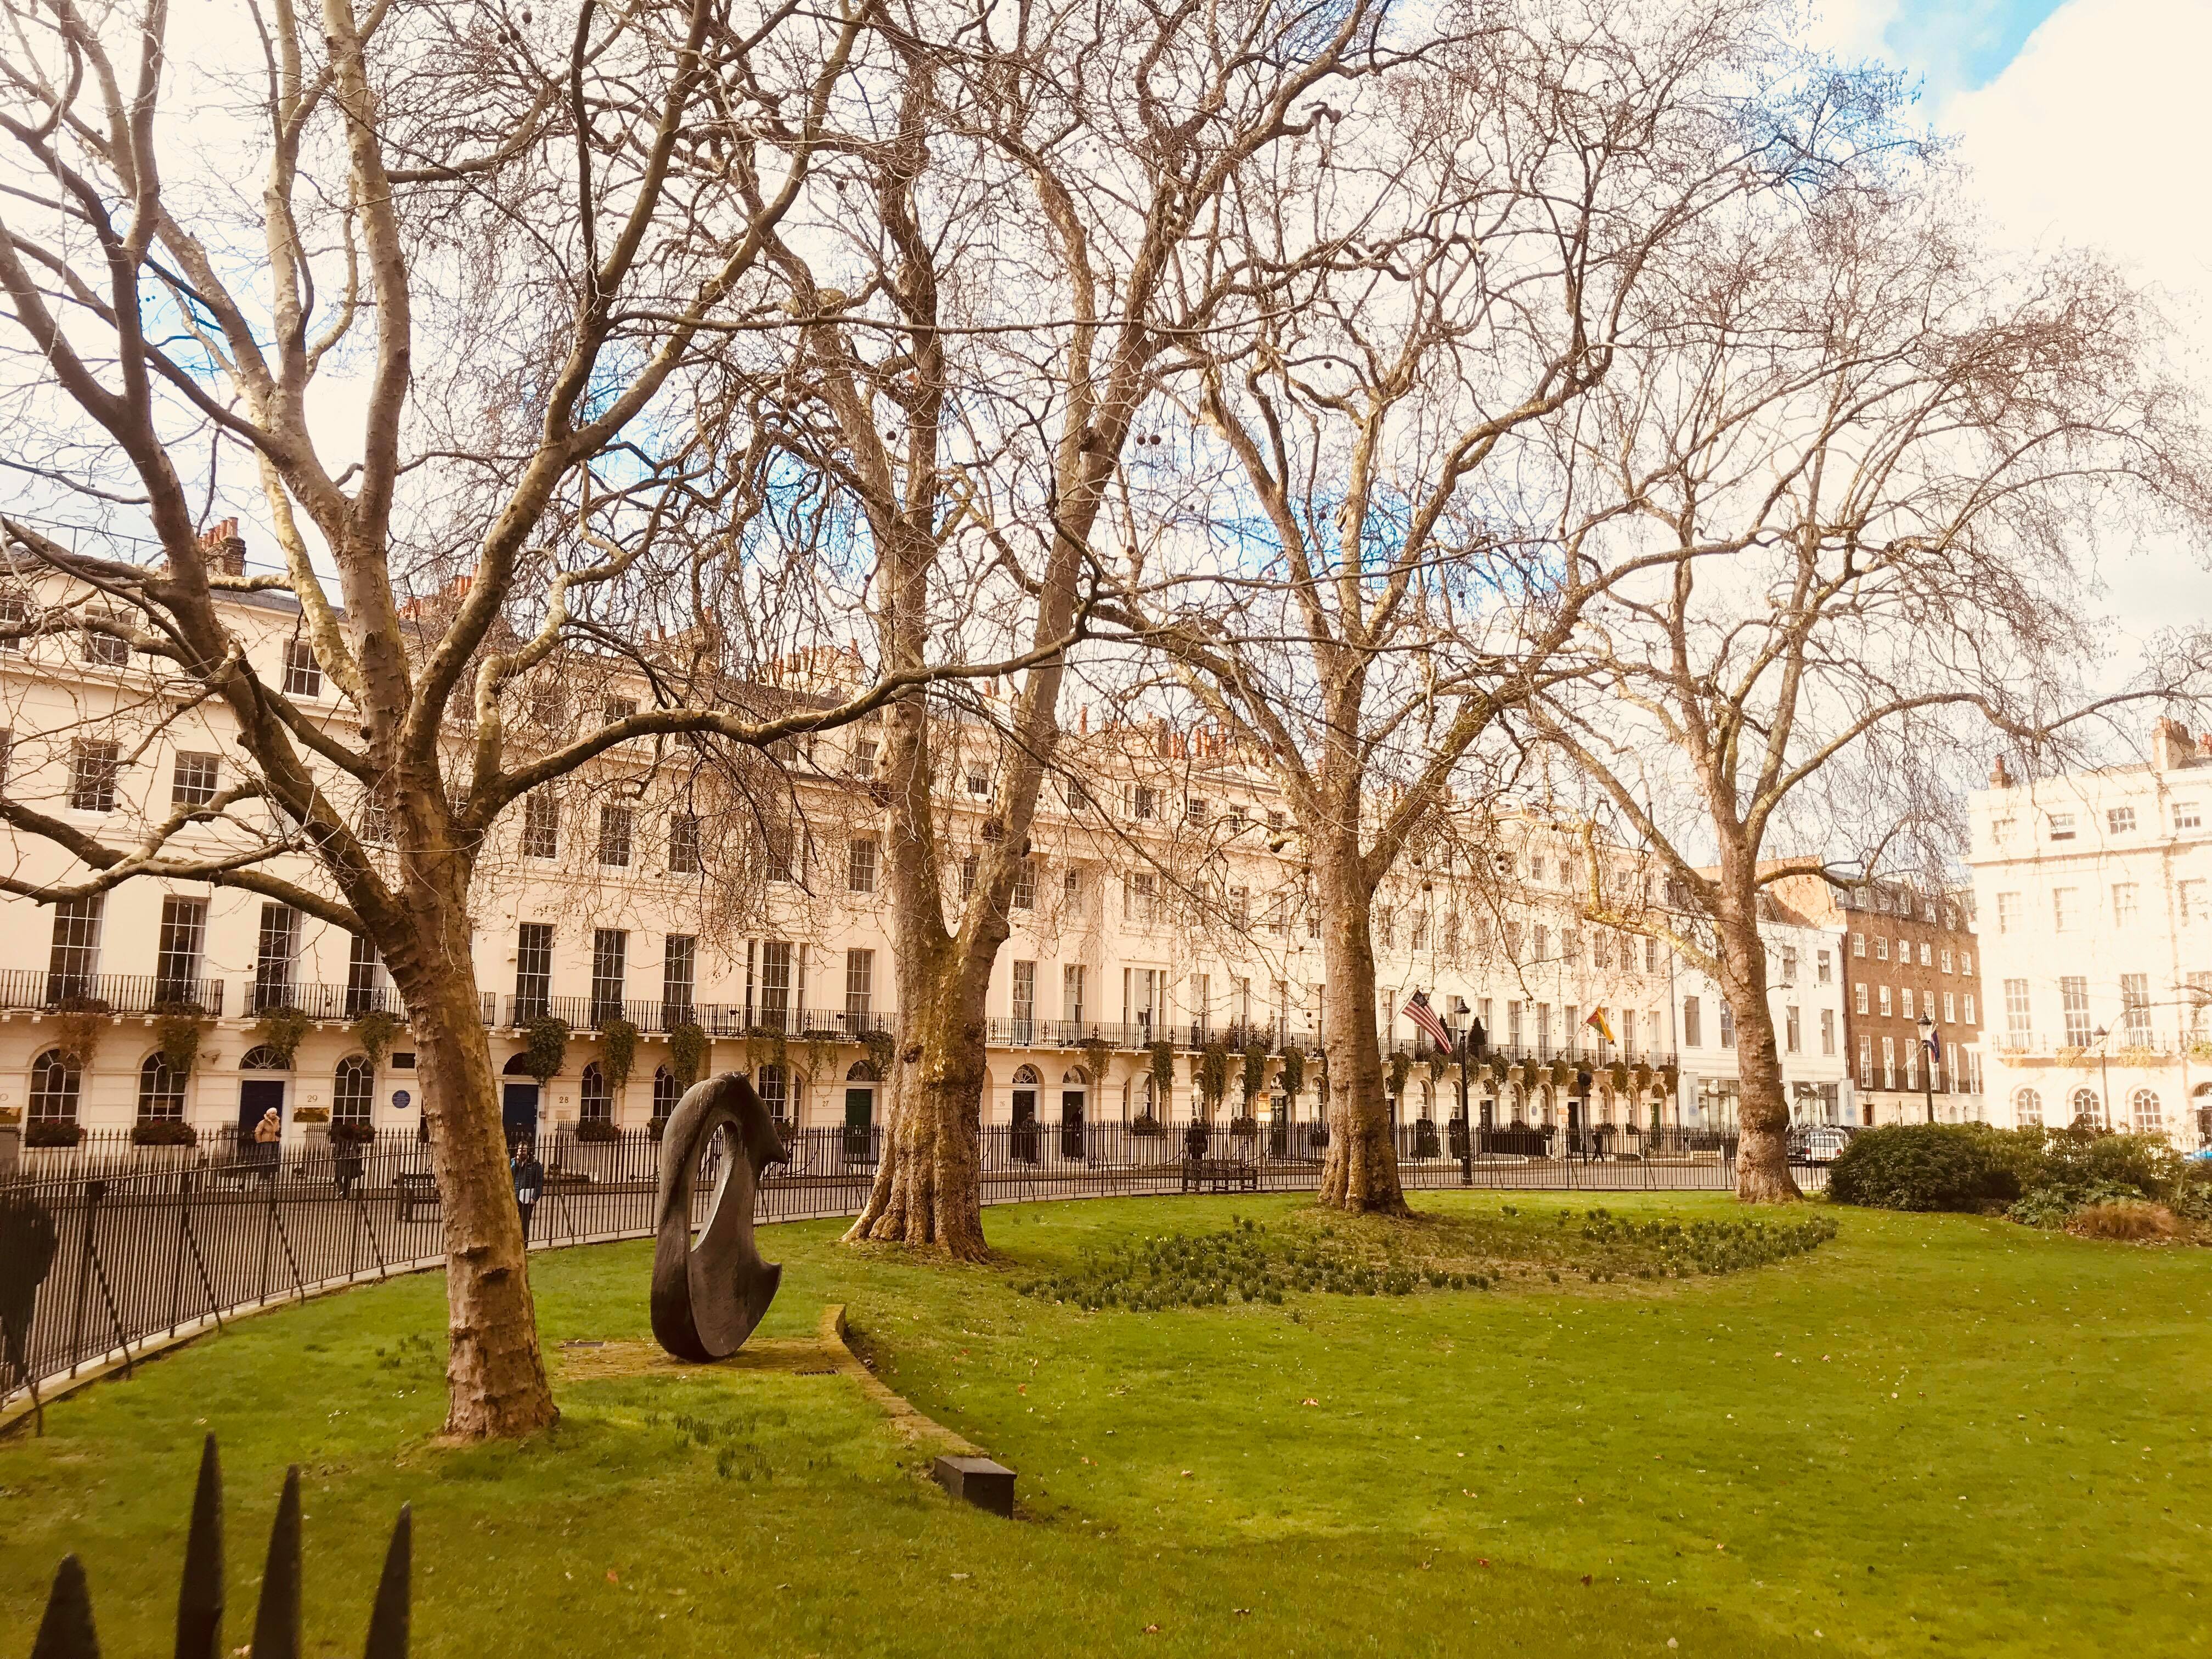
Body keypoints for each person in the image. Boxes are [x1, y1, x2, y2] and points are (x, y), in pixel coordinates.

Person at [512, 1141, 543, 1243]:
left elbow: (539, 1182)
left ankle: (525, 1245)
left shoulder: (535, 1164)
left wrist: (534, 1198)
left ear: (528, 1151)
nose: (522, 1153)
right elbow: (509, 1175)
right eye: (520, 1150)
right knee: (513, 1224)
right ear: (517, 1151)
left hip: (527, 1199)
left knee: (524, 1224)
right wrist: (516, 1164)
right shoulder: (513, 1162)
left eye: (524, 1150)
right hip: (515, 1197)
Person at [252, 1107, 281, 1184]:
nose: (274, 1115)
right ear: (268, 1114)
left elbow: (277, 1130)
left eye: (275, 1113)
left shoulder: (277, 1121)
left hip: (275, 1141)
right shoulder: (263, 1122)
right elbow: (257, 1133)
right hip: (266, 1142)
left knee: (273, 1159)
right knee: (265, 1159)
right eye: (272, 1113)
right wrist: (260, 1142)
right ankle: (263, 1176)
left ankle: (270, 1177)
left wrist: (278, 1136)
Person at [333, 1130, 363, 1198]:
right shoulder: (353, 1142)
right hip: (351, 1161)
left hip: (341, 1159)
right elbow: (358, 1152)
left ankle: (341, 1189)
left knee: (338, 1177)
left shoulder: (340, 1141)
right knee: (348, 1177)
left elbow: (336, 1151)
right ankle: (345, 1194)